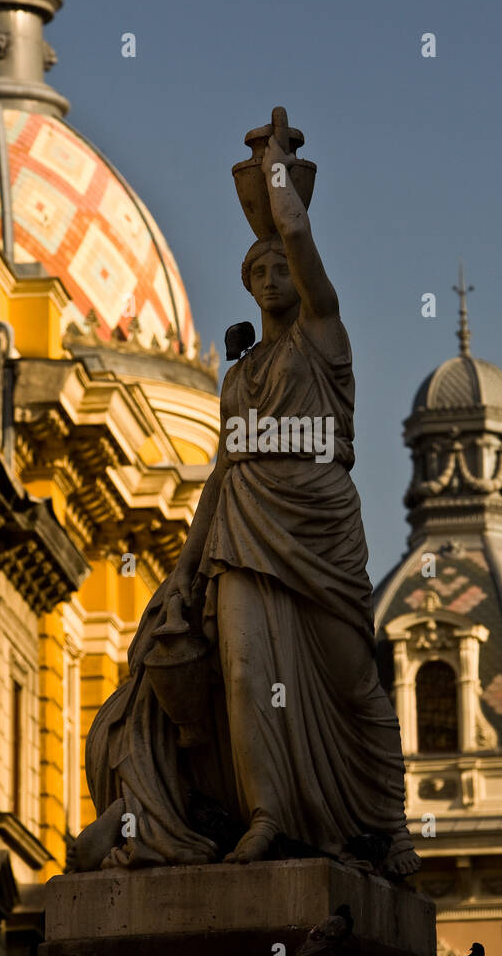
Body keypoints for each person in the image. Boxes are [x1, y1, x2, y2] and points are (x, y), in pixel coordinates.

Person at [68, 116, 419, 878]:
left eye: (282, 267)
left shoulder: (325, 336)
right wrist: (187, 567)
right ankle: (264, 817)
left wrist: (277, 173)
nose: (271, 275)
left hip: (319, 523)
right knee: (243, 675)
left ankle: (388, 827)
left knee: (350, 677)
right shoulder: (239, 378)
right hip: (243, 526)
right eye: (257, 270)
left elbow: (293, 233)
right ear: (247, 284)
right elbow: (224, 471)